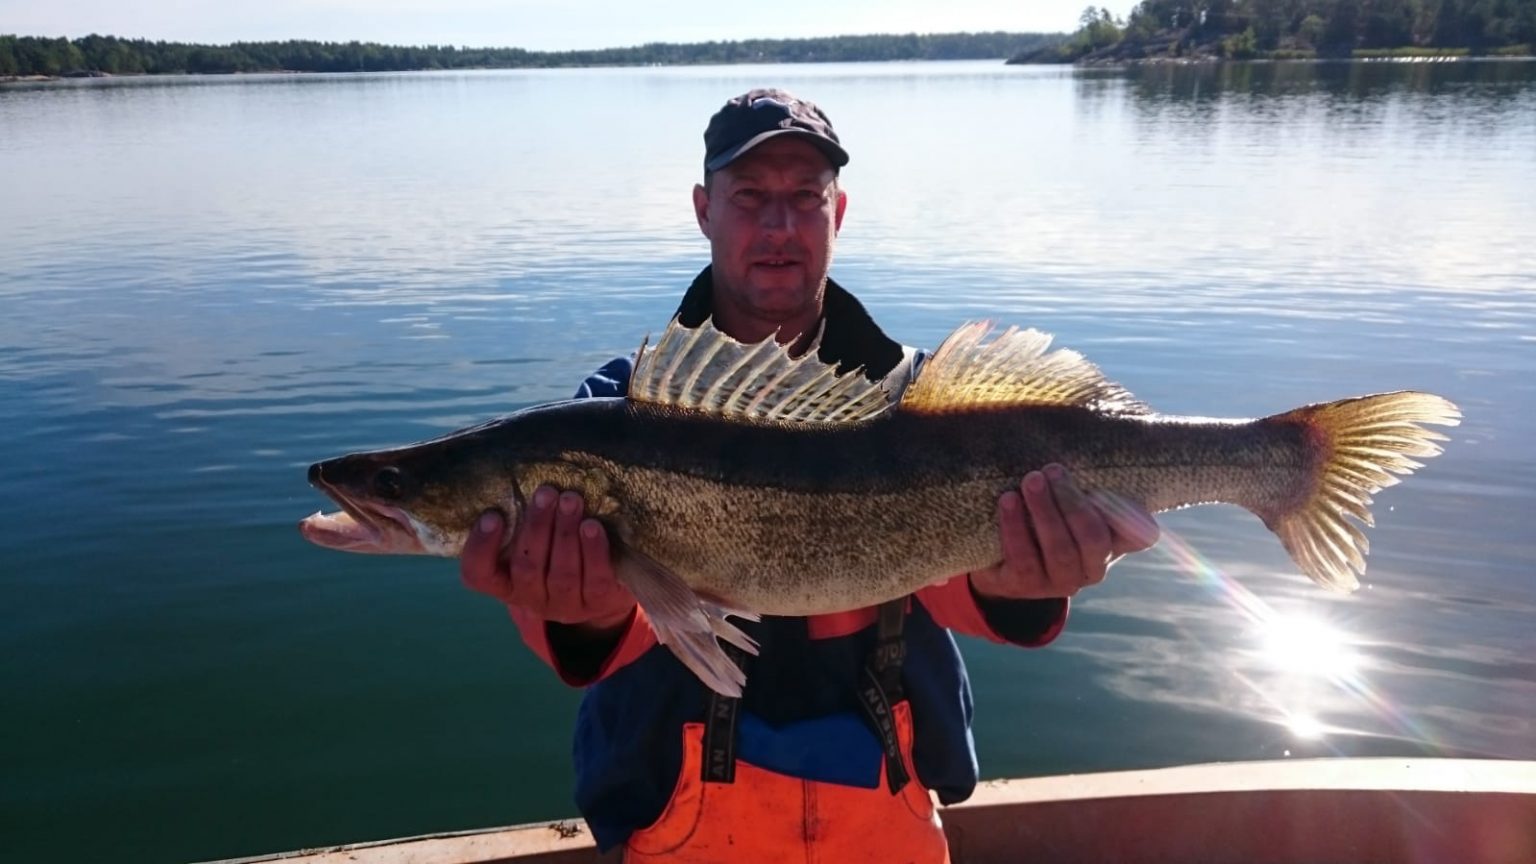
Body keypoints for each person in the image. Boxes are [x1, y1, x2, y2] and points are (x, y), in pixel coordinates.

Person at [460, 88, 1159, 863]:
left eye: (804, 198)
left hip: (884, 815)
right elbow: (587, 635)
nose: (779, 227)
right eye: (750, 196)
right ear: (703, 209)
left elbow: (958, 582)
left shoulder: (918, 406)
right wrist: (580, 614)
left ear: (840, 212)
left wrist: (1022, 584)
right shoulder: (609, 416)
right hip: (678, 828)